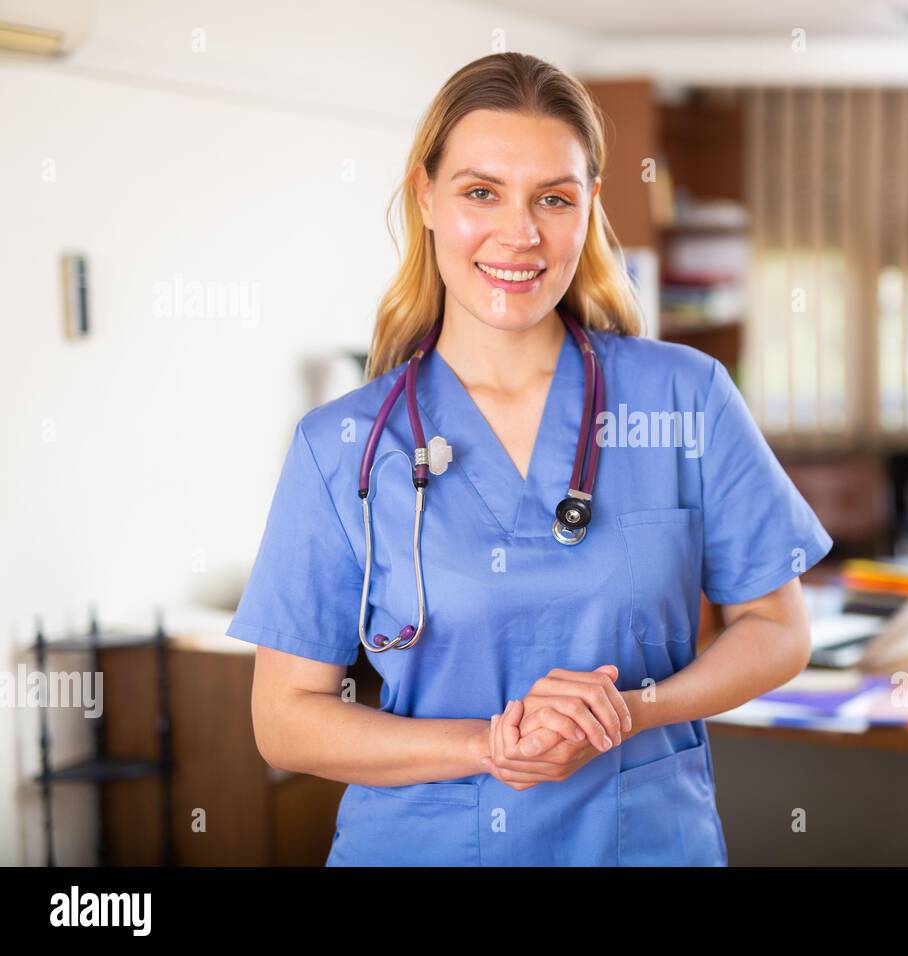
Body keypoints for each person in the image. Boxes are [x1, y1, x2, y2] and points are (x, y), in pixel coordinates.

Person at [227, 51, 833, 866]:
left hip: (645, 842)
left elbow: (778, 629)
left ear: (588, 209)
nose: (521, 233)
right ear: (426, 198)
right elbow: (285, 718)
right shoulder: (343, 445)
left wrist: (630, 711)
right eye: (482, 192)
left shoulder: (684, 398)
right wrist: (489, 747)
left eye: (553, 198)